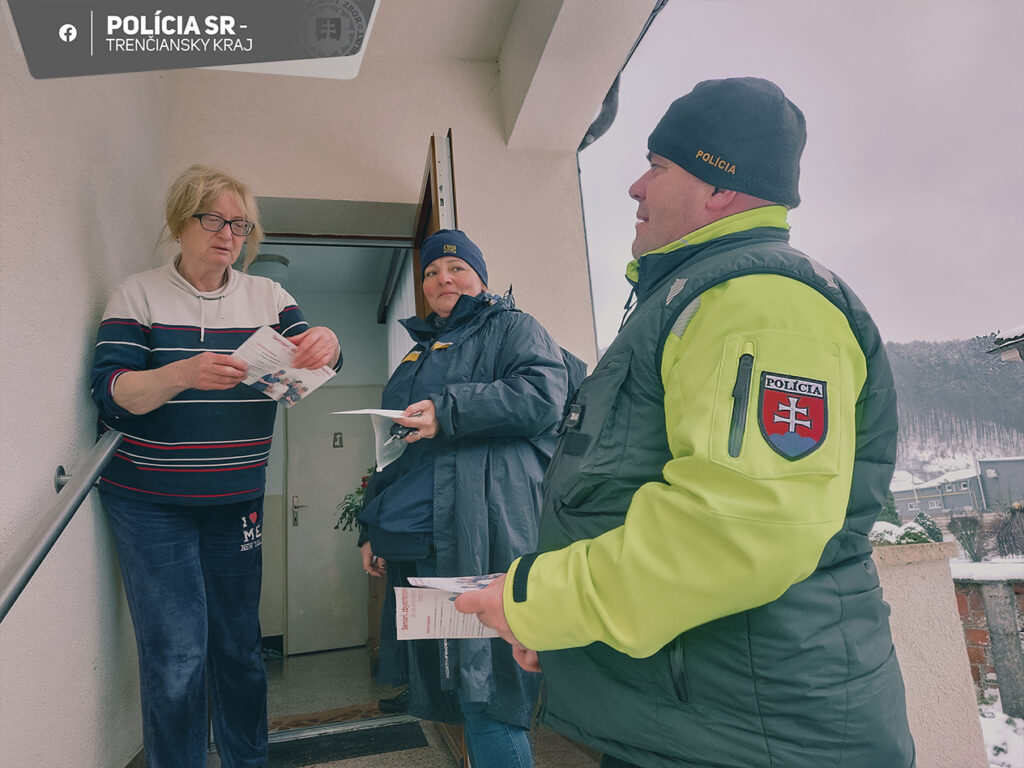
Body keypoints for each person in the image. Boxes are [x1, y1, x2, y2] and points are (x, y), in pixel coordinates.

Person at [456, 78, 917, 768]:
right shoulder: (697, 294)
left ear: (720, 188)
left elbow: (739, 528)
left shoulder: (757, 303)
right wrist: (562, 622)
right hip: (695, 717)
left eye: (659, 166)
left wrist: (538, 600)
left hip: (756, 736)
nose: (637, 187)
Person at [90, 164, 342, 768]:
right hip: (148, 502)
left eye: (240, 224)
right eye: (214, 219)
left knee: (239, 649)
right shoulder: (138, 293)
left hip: (236, 500)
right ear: (181, 221)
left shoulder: (268, 296)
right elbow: (109, 391)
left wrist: (328, 342)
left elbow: (315, 359)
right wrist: (183, 374)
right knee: (177, 655)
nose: (228, 234)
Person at [358, 229, 580, 768]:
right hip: (422, 537)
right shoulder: (414, 356)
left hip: (483, 527)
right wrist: (372, 526)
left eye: (456, 269)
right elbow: (393, 451)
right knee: (451, 680)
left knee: (489, 689)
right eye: (432, 272)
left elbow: (542, 397)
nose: (442, 279)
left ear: (480, 277)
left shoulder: (513, 328)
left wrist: (448, 411)